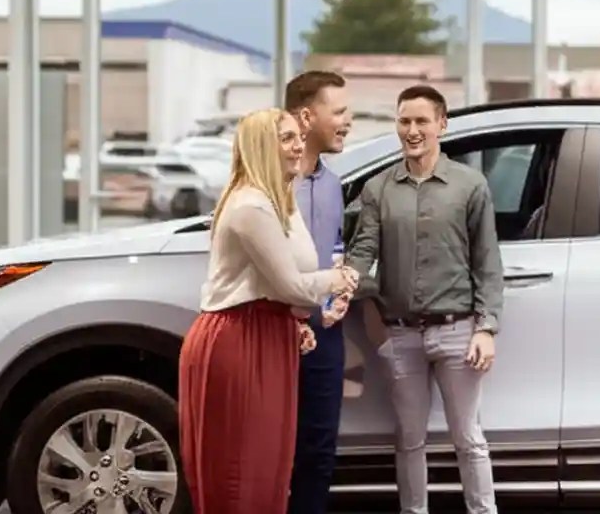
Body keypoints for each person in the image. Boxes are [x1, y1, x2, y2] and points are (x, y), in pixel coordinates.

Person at [178, 108, 358, 514]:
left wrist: (290, 320)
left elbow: (277, 286)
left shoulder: (279, 200)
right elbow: (291, 284)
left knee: (266, 471)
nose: (299, 146)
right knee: (241, 474)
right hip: (239, 343)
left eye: (299, 136)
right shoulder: (251, 207)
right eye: (287, 138)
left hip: (265, 336)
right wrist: (338, 278)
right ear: (261, 147)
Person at [346, 84, 504, 514]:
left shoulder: (470, 186)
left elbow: (487, 261)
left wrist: (487, 328)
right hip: (402, 337)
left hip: (458, 332)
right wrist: (343, 284)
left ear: (441, 124)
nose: (412, 130)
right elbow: (364, 252)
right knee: (409, 439)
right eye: (404, 121)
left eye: (421, 121)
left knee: (468, 437)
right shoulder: (379, 189)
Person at [284, 70, 354, 514]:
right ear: (307, 116)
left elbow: (333, 248)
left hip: (325, 334)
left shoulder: (333, 185)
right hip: (275, 331)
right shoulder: (268, 184)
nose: (348, 121)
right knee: (271, 450)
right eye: (341, 111)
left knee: (320, 449)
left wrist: (340, 290)